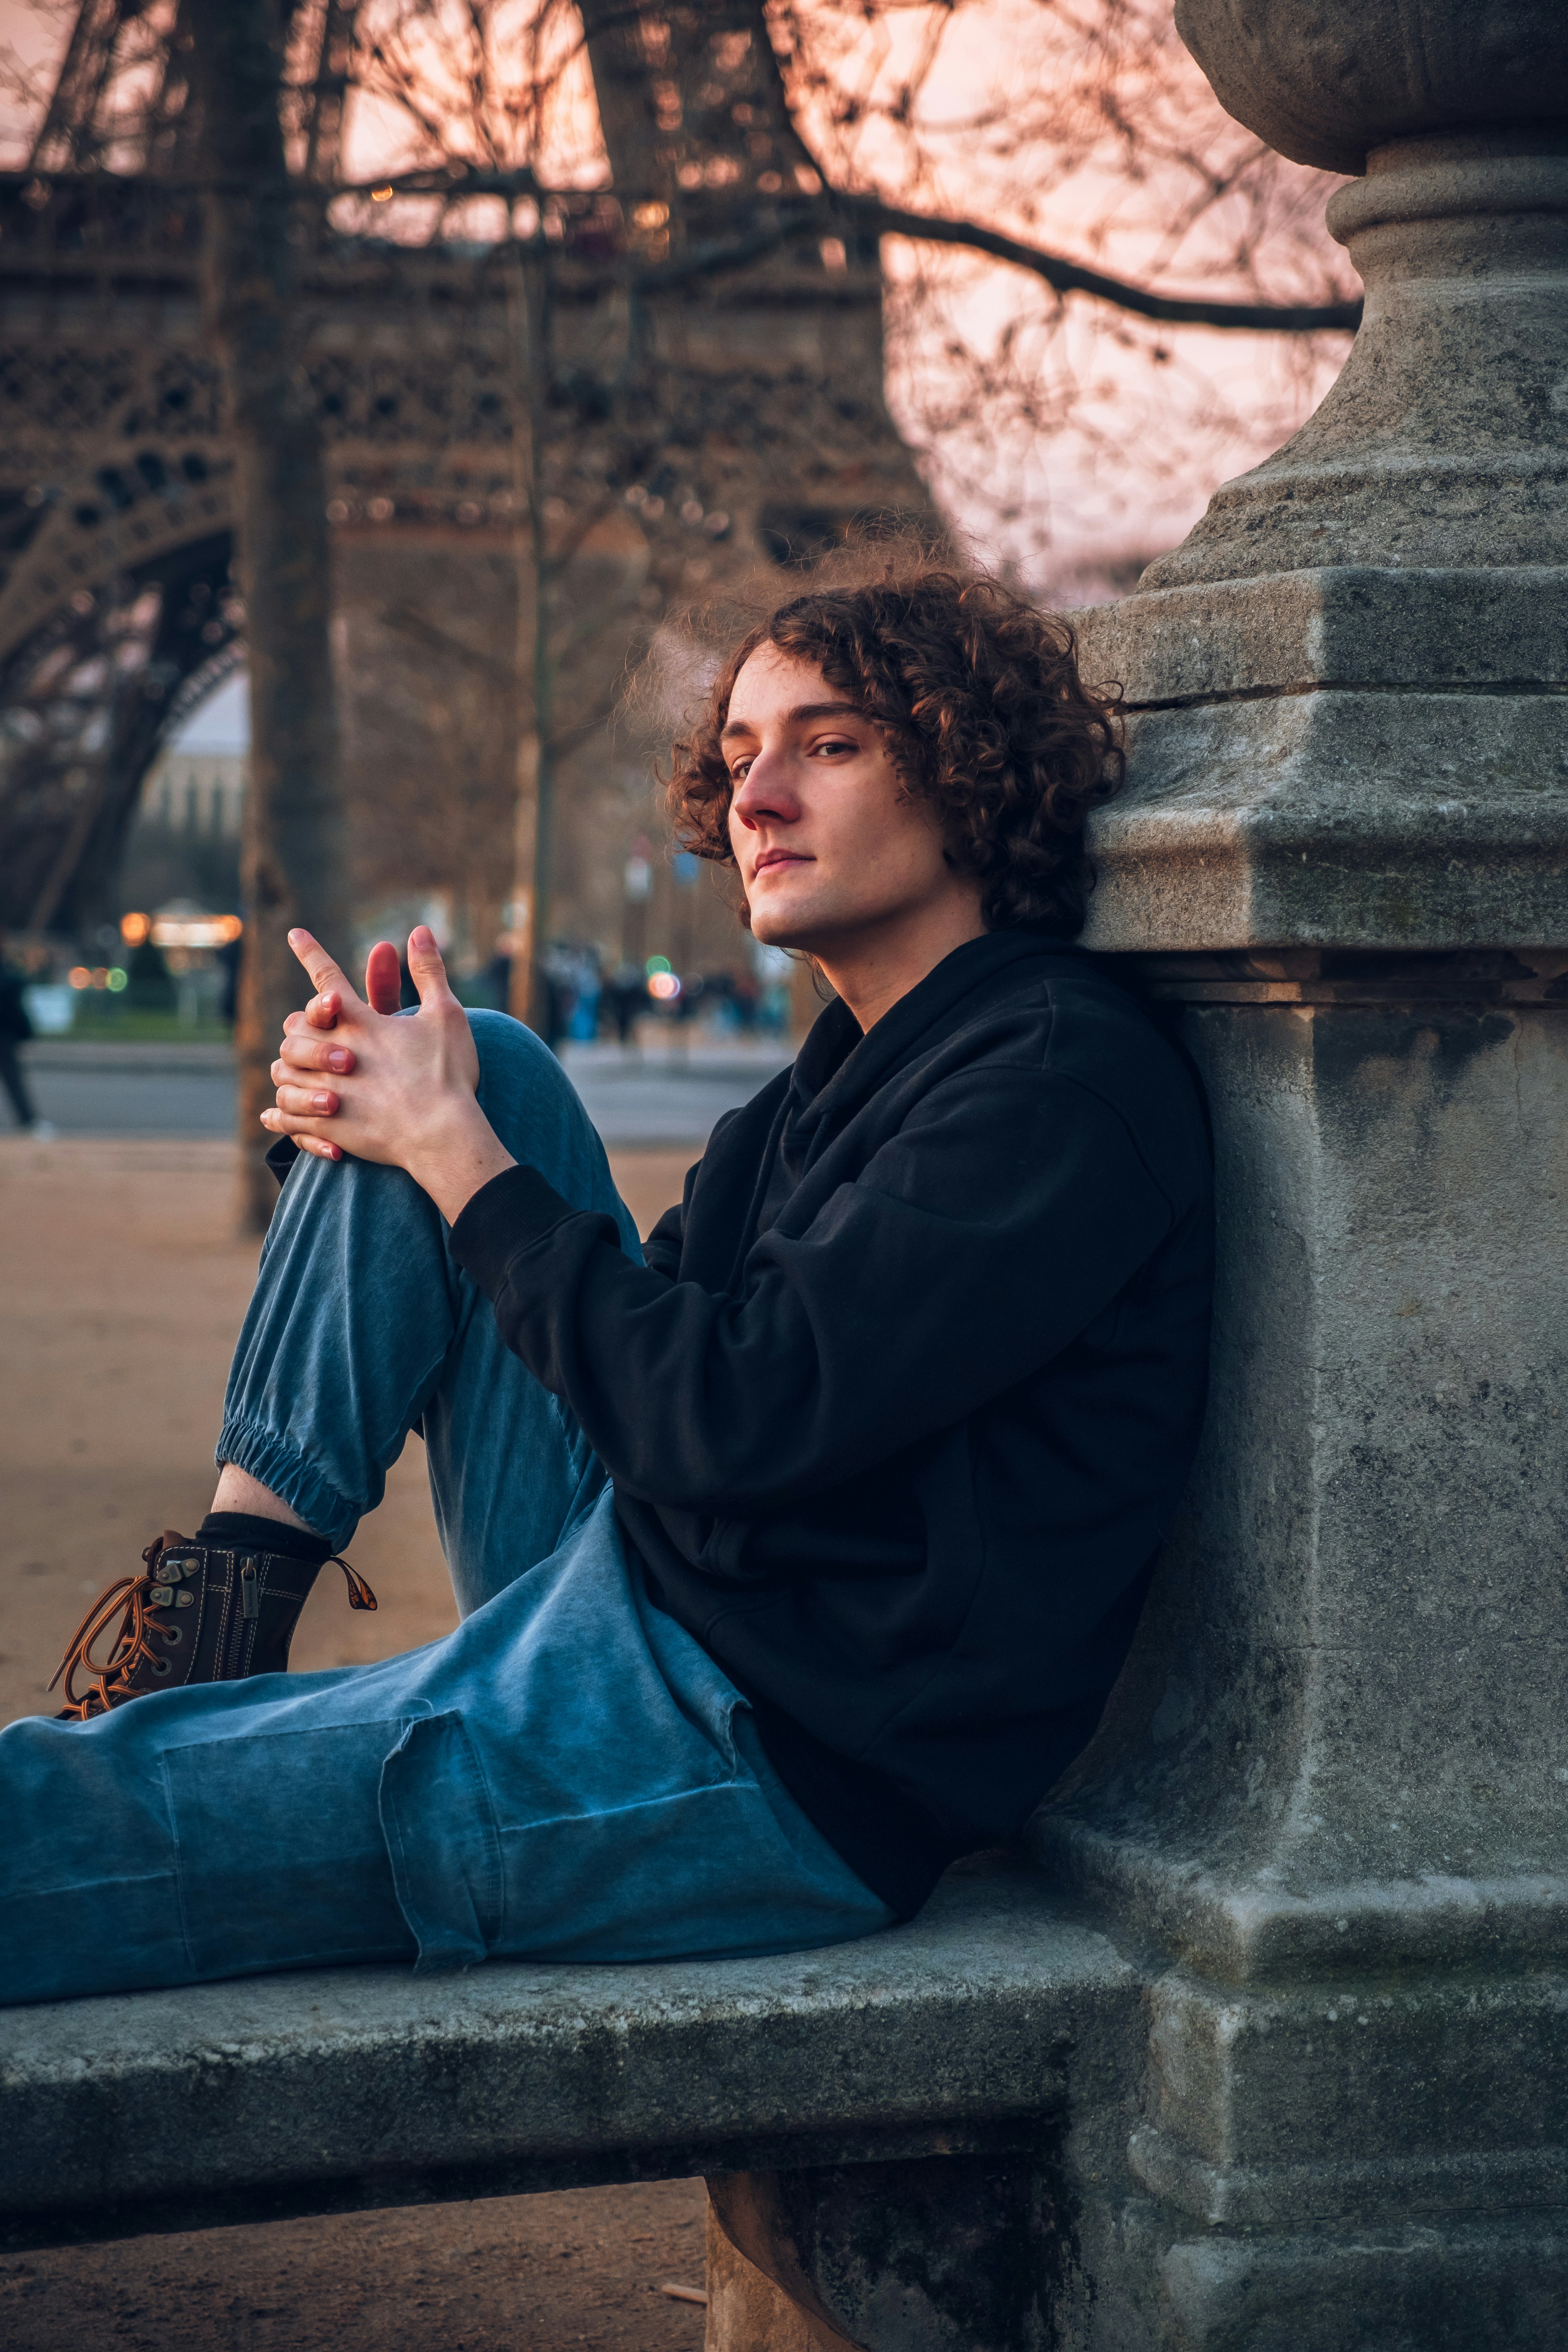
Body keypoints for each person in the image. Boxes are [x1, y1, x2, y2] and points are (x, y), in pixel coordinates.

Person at [1, 562, 1213, 2007]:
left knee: (59, 1812)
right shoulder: (832, 1084)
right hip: (647, 1592)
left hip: (748, 1752)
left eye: (827, 747)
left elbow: (725, 1416)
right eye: (744, 754)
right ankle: (208, 1653)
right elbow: (616, 1347)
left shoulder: (1054, 1084)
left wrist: (454, 1162)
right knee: (469, 1055)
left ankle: (183, 1747)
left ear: (967, 773)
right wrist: (378, 1126)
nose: (755, 801)